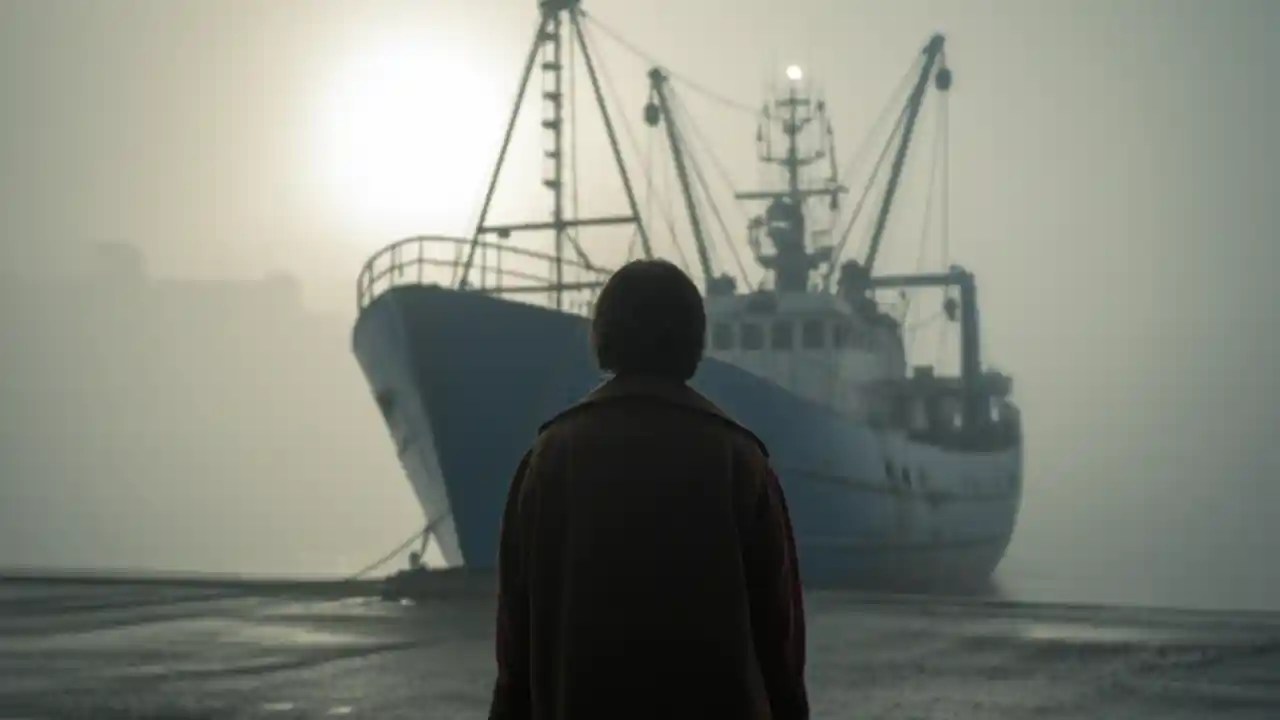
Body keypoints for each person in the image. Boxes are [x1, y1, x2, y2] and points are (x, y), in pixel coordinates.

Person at [488, 259, 808, 720]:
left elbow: (515, 652)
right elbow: (782, 651)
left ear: (601, 337)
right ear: (695, 343)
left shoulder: (547, 459)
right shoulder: (741, 461)